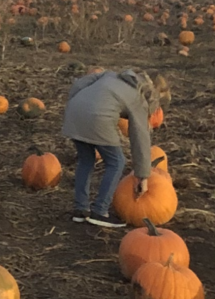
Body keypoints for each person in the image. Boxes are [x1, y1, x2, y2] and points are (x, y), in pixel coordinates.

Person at [61, 68, 156, 231]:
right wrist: (142, 175)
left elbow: (79, 84)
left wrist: (77, 104)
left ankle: (80, 209)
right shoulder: (138, 98)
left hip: (75, 112)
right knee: (117, 162)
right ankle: (100, 211)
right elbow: (140, 137)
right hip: (98, 117)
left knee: (86, 160)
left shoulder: (109, 74)